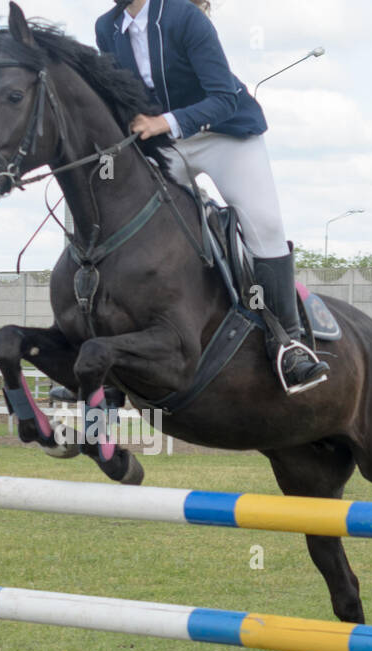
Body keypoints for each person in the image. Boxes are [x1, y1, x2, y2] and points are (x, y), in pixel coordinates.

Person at [94, 0, 328, 393]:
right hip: (167, 144)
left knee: (265, 225)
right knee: (128, 222)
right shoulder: (107, 28)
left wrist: (164, 121)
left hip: (226, 135)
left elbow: (224, 98)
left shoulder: (183, 17)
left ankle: (289, 343)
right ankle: (116, 350)